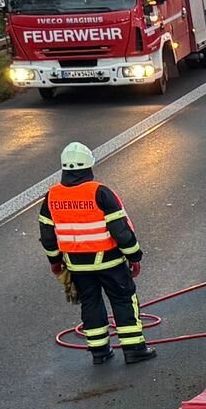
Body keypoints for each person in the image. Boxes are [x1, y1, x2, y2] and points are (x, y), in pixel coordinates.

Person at [37, 141, 155, 366]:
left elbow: (47, 235)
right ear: (89, 166)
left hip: (77, 267)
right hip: (110, 262)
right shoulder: (100, 192)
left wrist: (55, 262)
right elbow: (121, 230)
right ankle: (134, 350)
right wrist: (134, 256)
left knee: (90, 304)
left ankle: (99, 353)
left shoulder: (51, 196)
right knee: (123, 300)